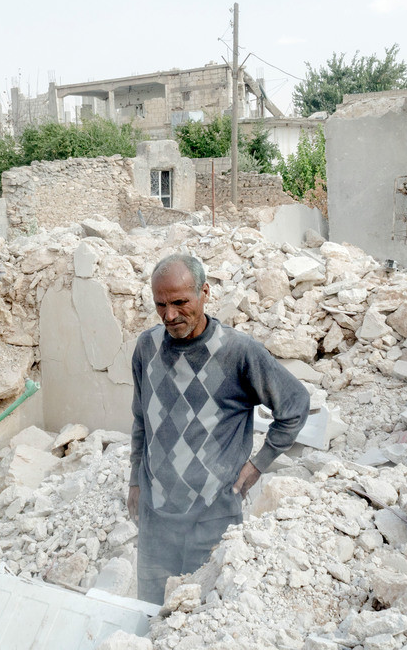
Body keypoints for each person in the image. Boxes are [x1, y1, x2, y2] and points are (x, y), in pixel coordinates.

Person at [128, 254, 310, 604]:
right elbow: (141, 419)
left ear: (204, 293)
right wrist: (136, 480)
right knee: (148, 613)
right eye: (160, 305)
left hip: (213, 518)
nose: (170, 315)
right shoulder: (146, 347)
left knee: (199, 615)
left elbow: (295, 404)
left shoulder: (238, 352)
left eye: (180, 302)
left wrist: (258, 465)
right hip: (156, 517)